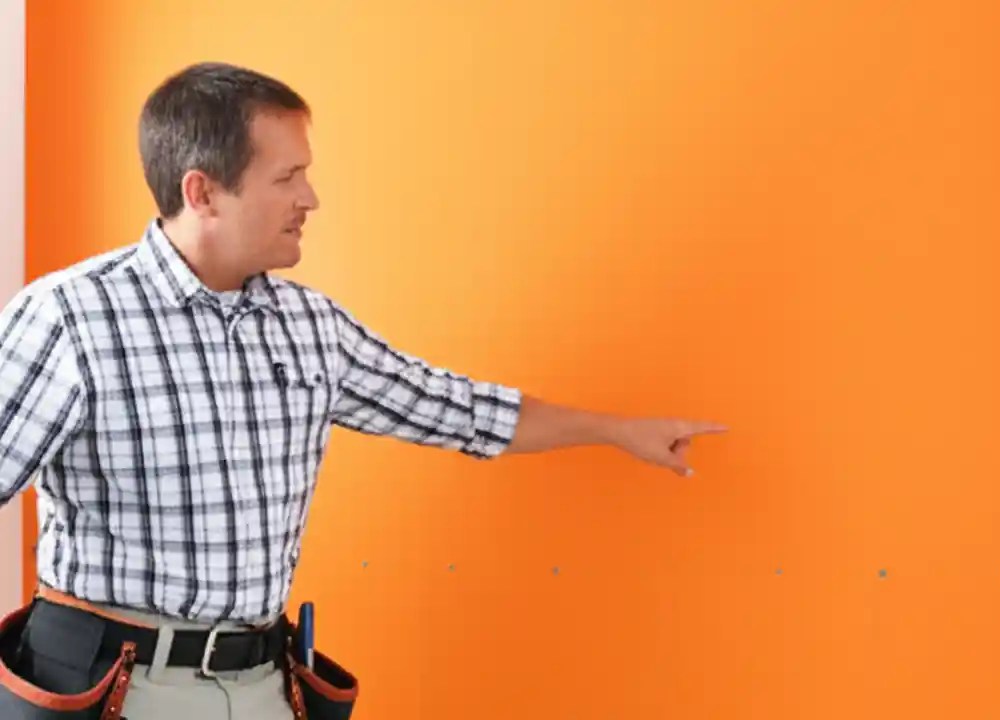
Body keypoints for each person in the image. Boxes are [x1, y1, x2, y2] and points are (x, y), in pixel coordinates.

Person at [0, 62, 726, 720]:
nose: (309, 198)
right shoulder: (69, 317)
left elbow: (456, 411)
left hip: (264, 686)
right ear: (203, 191)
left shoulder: (309, 325)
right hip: (111, 690)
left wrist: (617, 431)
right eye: (287, 177)